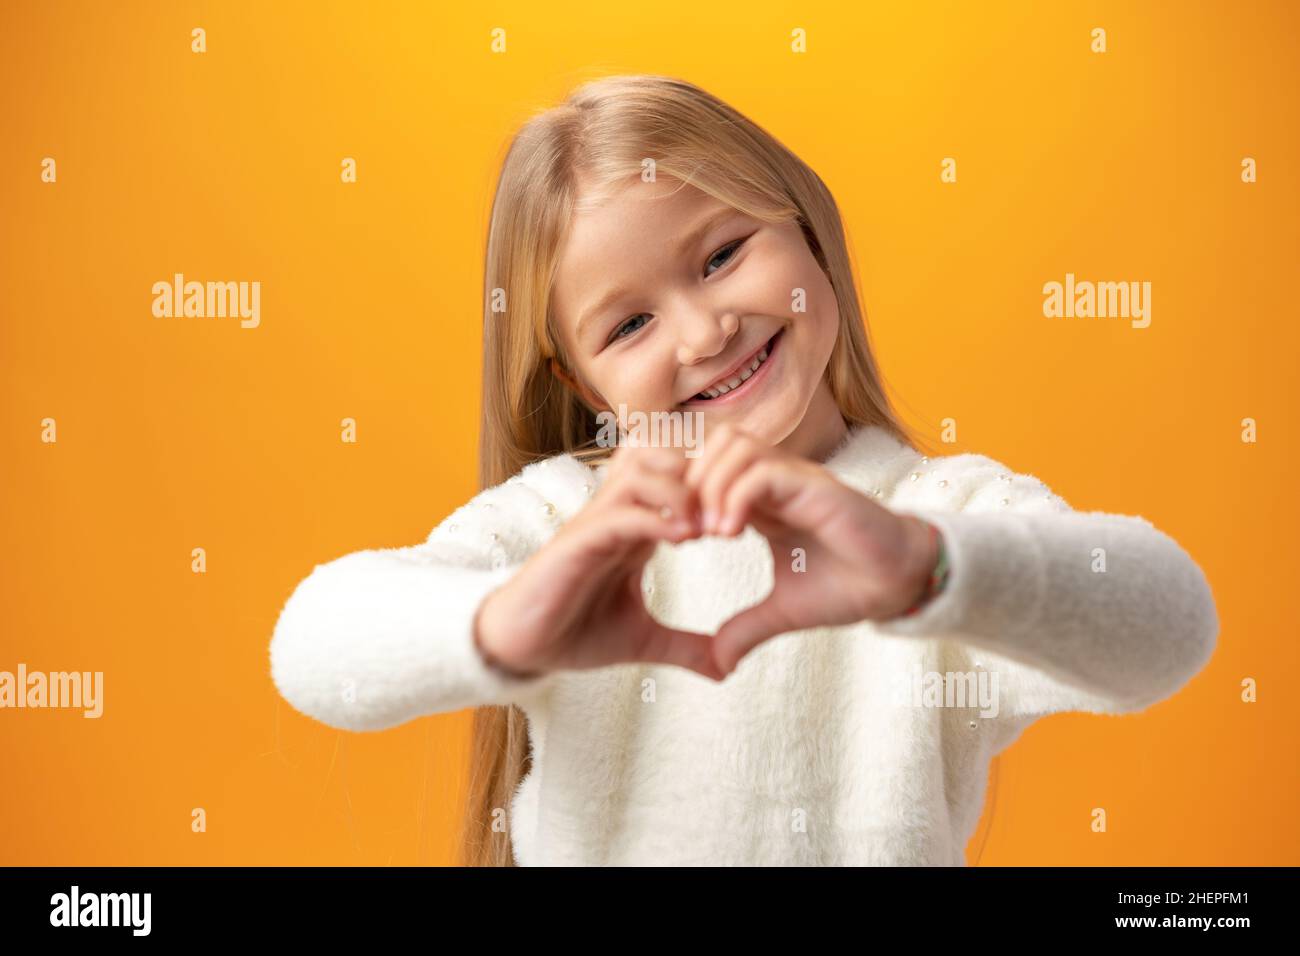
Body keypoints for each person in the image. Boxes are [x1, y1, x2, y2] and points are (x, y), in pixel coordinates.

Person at [268, 74, 1218, 866]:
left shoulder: (939, 514)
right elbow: (314, 647)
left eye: (723, 254)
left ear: (810, 234)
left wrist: (925, 568)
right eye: (629, 324)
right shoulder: (566, 521)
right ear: (583, 382)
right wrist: (511, 621)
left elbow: (1172, 626)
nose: (704, 331)